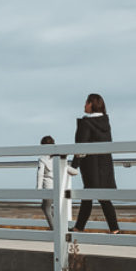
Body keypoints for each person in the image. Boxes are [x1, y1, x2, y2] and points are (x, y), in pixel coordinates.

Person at [70, 93, 120, 234]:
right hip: (104, 164)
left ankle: (80, 227)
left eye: (86, 102)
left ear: (91, 104)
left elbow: (81, 146)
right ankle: (113, 229)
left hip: (91, 165)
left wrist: (74, 166)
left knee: (91, 195)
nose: (84, 105)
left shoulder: (86, 123)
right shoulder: (105, 122)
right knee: (101, 196)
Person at [37, 135, 78, 229]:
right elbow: (74, 172)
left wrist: (38, 188)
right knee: (51, 208)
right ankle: (58, 227)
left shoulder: (42, 159)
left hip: (48, 188)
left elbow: (40, 174)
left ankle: (54, 228)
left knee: (46, 207)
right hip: (60, 188)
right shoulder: (59, 159)